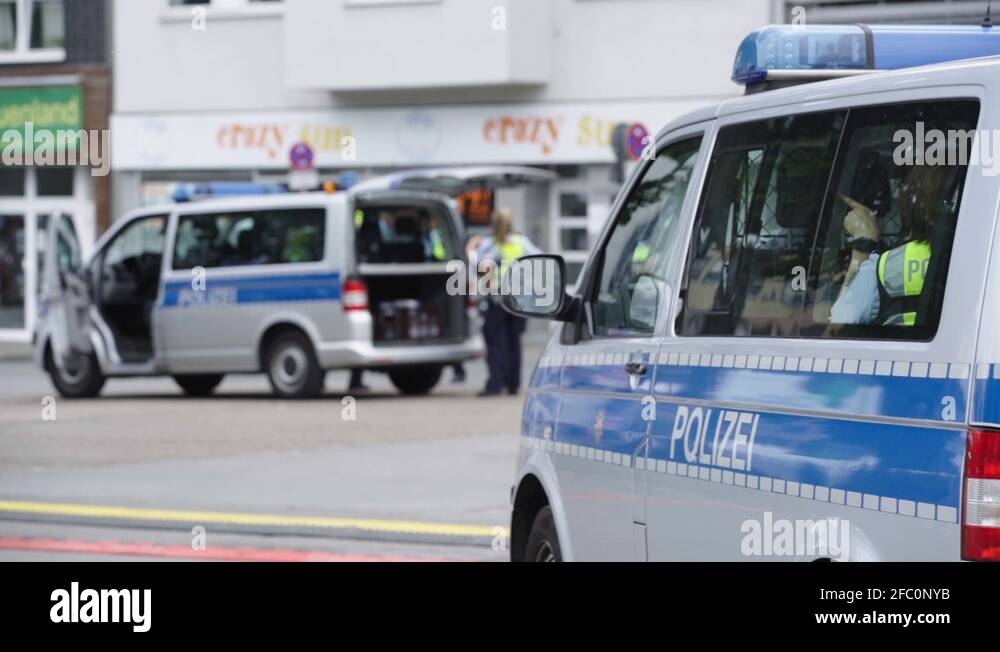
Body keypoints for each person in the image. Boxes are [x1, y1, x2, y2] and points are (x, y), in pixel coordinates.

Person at [831, 165, 946, 327]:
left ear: (909, 204)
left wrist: (862, 247)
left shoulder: (885, 268)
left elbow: (838, 328)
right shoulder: (984, 260)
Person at [473, 208, 541, 397]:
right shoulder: (521, 242)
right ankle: (513, 384)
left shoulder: (490, 244)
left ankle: (496, 383)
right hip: (518, 298)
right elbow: (540, 257)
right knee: (514, 341)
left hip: (498, 299)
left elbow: (478, 265)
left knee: (495, 340)